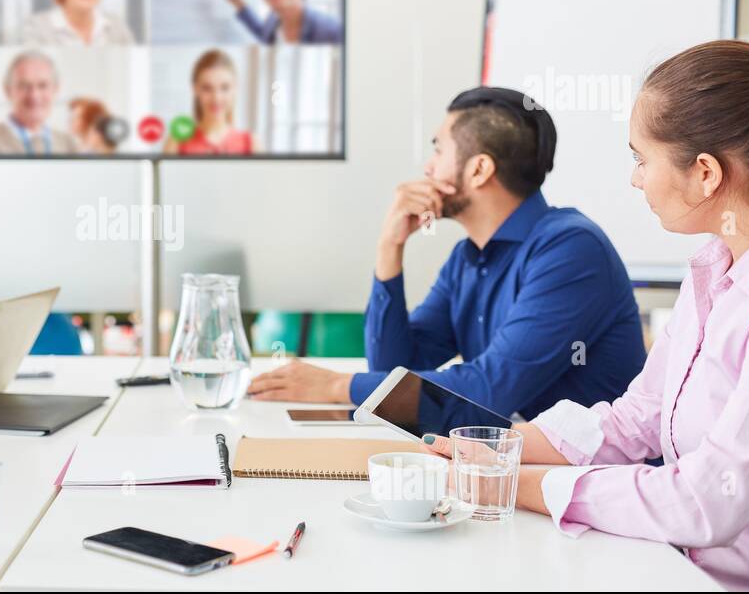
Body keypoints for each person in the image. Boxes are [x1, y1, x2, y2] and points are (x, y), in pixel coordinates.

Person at [423, 40, 749, 592]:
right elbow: (638, 418)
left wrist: (514, 483)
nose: (636, 180)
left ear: (706, 173)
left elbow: (706, 500)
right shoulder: (714, 269)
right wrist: (499, 449)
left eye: (641, 159)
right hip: (677, 570)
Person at [249, 87, 647, 428]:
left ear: (479, 170)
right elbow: (393, 371)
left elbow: (487, 393)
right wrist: (390, 247)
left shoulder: (571, 250)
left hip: (598, 479)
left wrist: (338, 385)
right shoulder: (467, 257)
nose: (428, 167)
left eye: (438, 150)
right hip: (530, 469)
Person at [0, 51, 81, 155]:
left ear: (55, 89)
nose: (34, 95)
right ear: (7, 90)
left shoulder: (68, 144)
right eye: (24, 85)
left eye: (42, 85)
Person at [163, 49, 255, 156]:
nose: (216, 98)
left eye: (225, 88)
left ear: (235, 88)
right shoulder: (177, 141)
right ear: (195, 89)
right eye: (207, 88)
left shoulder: (251, 143)